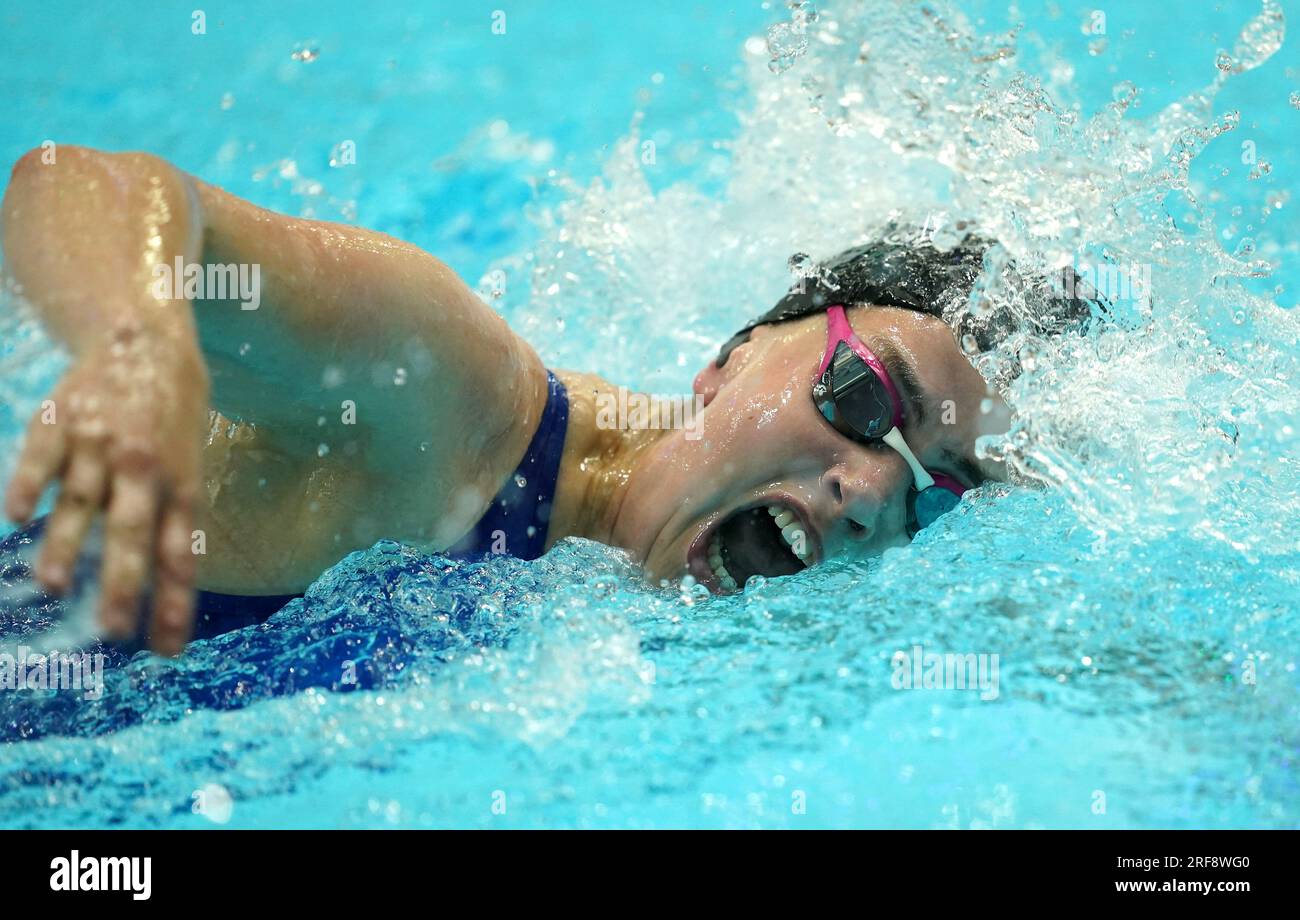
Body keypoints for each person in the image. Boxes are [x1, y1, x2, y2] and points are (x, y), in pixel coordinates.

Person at [0, 146, 1098, 654]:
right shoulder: (446, 398)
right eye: (862, 399)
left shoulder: (635, 603)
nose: (866, 494)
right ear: (735, 352)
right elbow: (87, 183)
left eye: (927, 493)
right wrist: (134, 338)